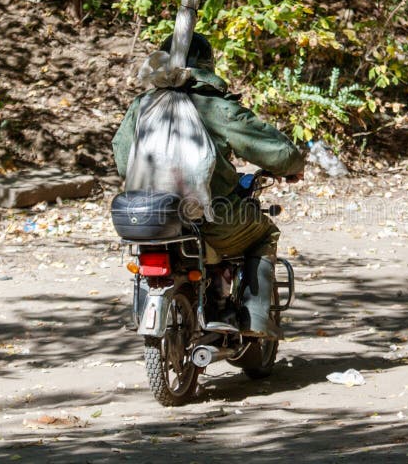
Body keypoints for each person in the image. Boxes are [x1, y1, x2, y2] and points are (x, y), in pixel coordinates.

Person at [112, 32, 304, 338]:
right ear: (206, 65)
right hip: (210, 218)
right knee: (266, 231)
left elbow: (124, 162)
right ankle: (255, 319)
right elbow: (275, 151)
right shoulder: (214, 106)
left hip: (147, 218)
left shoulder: (142, 105)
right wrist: (293, 165)